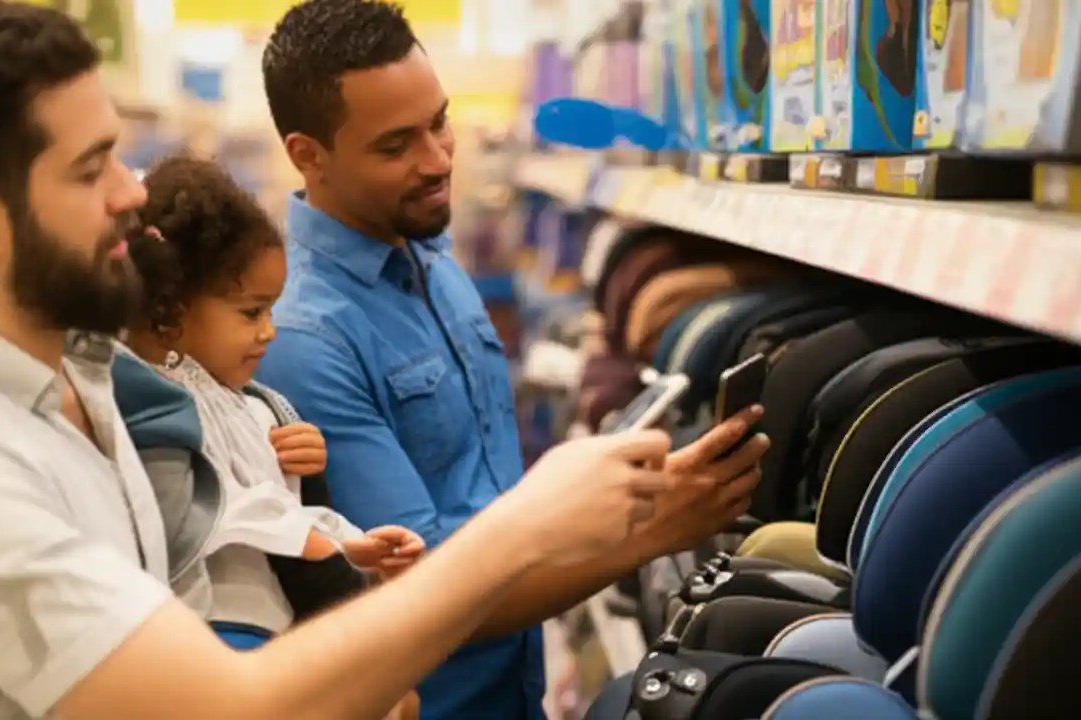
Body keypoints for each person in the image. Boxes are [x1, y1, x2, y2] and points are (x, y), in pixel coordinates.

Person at [0, 2, 762, 719]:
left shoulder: (92, 383)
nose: (133, 191)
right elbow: (229, 706)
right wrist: (538, 524)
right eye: (91, 168)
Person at [256, 1, 771, 717]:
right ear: (307, 153)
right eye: (395, 145)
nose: (437, 159)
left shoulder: (432, 259)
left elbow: (483, 491)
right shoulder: (306, 340)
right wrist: (644, 535)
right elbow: (426, 592)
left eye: (439, 122)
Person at [117, 155, 422, 718]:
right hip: (213, 635)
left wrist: (345, 529)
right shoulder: (156, 396)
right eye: (250, 312)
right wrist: (327, 544)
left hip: (275, 629)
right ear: (173, 306)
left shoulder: (252, 402)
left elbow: (278, 499)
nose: (268, 332)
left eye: (270, 310)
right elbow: (210, 507)